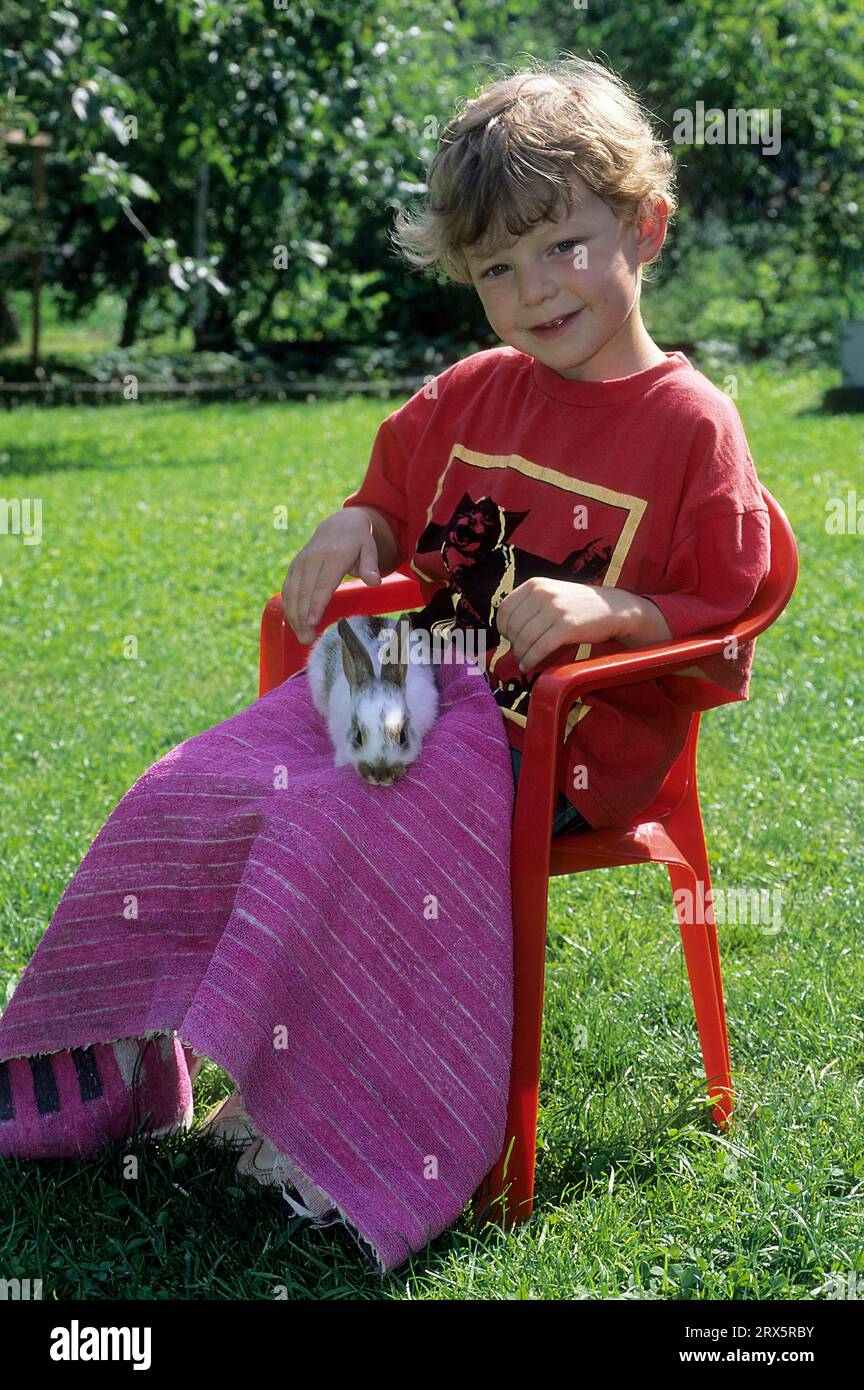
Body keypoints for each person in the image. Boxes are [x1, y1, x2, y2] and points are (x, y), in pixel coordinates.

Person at [206, 55, 772, 1176]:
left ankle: (360, 1113)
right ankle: (192, 1044)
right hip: (435, 701)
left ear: (647, 228)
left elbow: (730, 622)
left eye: (567, 246)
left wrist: (615, 603)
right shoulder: (472, 391)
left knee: (358, 816)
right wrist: (354, 522)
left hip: (570, 746)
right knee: (241, 787)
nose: (538, 291)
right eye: (499, 267)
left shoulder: (691, 429)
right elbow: (390, 493)